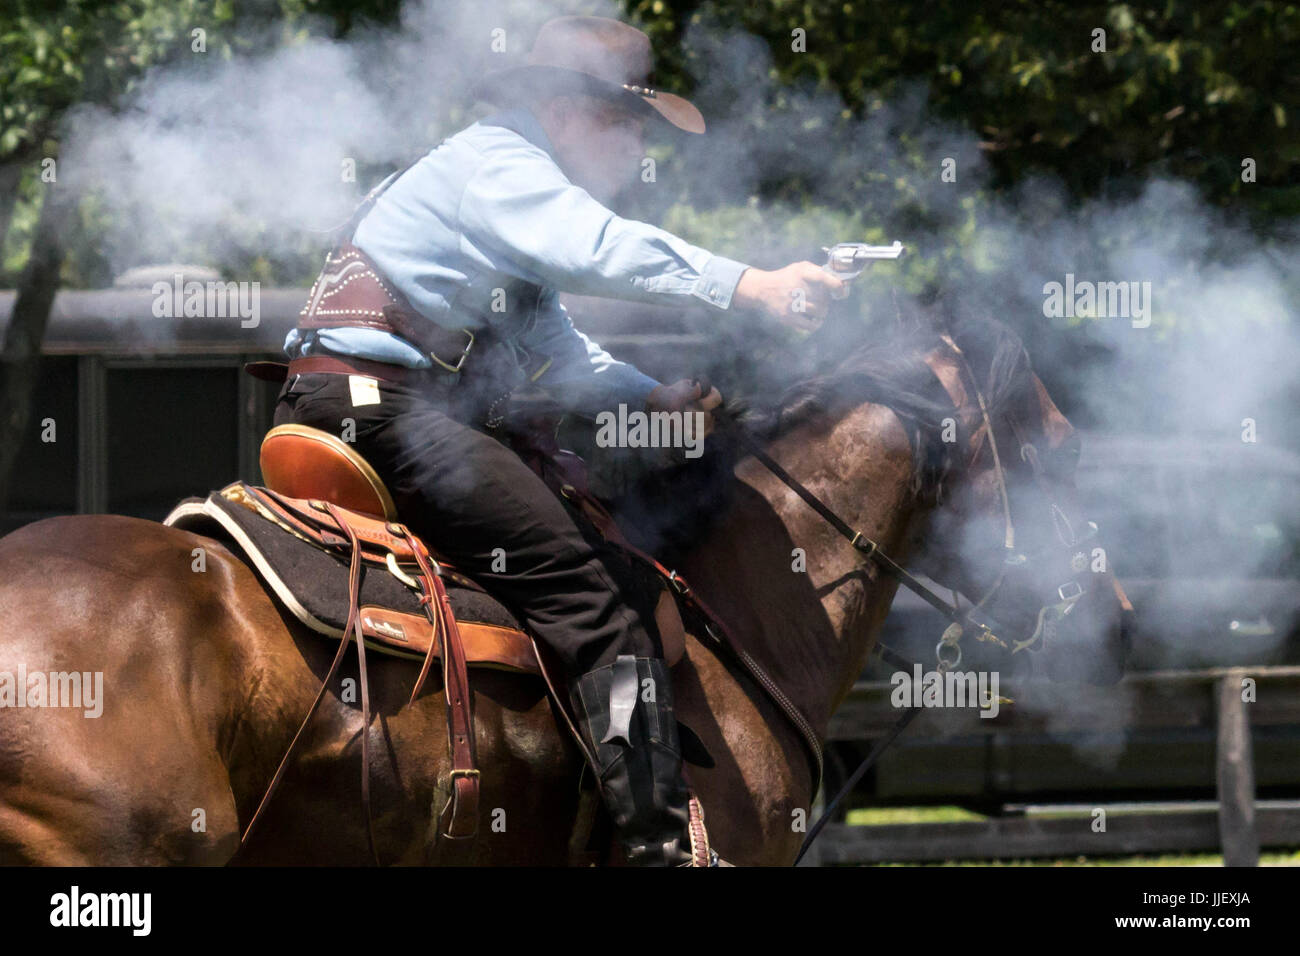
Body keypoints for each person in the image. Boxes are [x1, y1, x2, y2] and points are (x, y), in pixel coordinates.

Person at [273, 15, 842, 866]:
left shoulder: (488, 176)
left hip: (353, 402)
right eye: (623, 123)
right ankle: (659, 850)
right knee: (597, 601)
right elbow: (598, 249)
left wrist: (651, 395)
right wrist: (750, 285)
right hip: (386, 411)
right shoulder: (504, 166)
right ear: (565, 108)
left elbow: (556, 355)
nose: (629, 149)